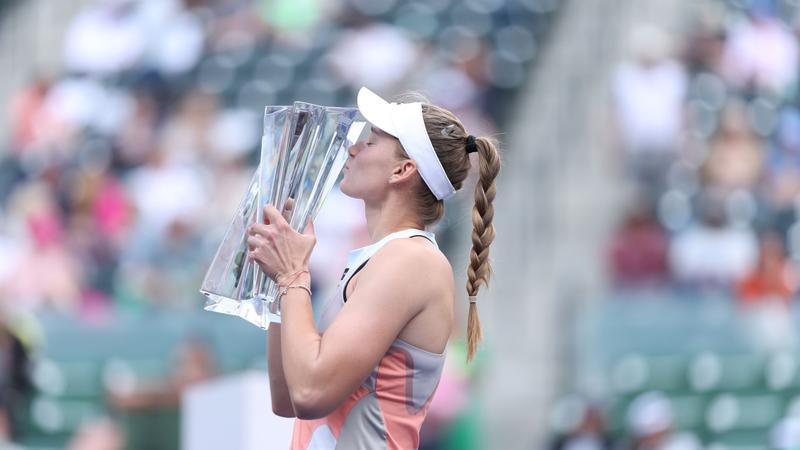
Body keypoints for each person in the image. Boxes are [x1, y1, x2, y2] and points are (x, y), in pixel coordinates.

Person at [246, 87, 501, 449]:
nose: (353, 148)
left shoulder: (411, 261)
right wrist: (278, 279)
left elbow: (309, 391)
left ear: (403, 169)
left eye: (371, 142)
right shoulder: (383, 258)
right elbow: (286, 397)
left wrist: (293, 275)